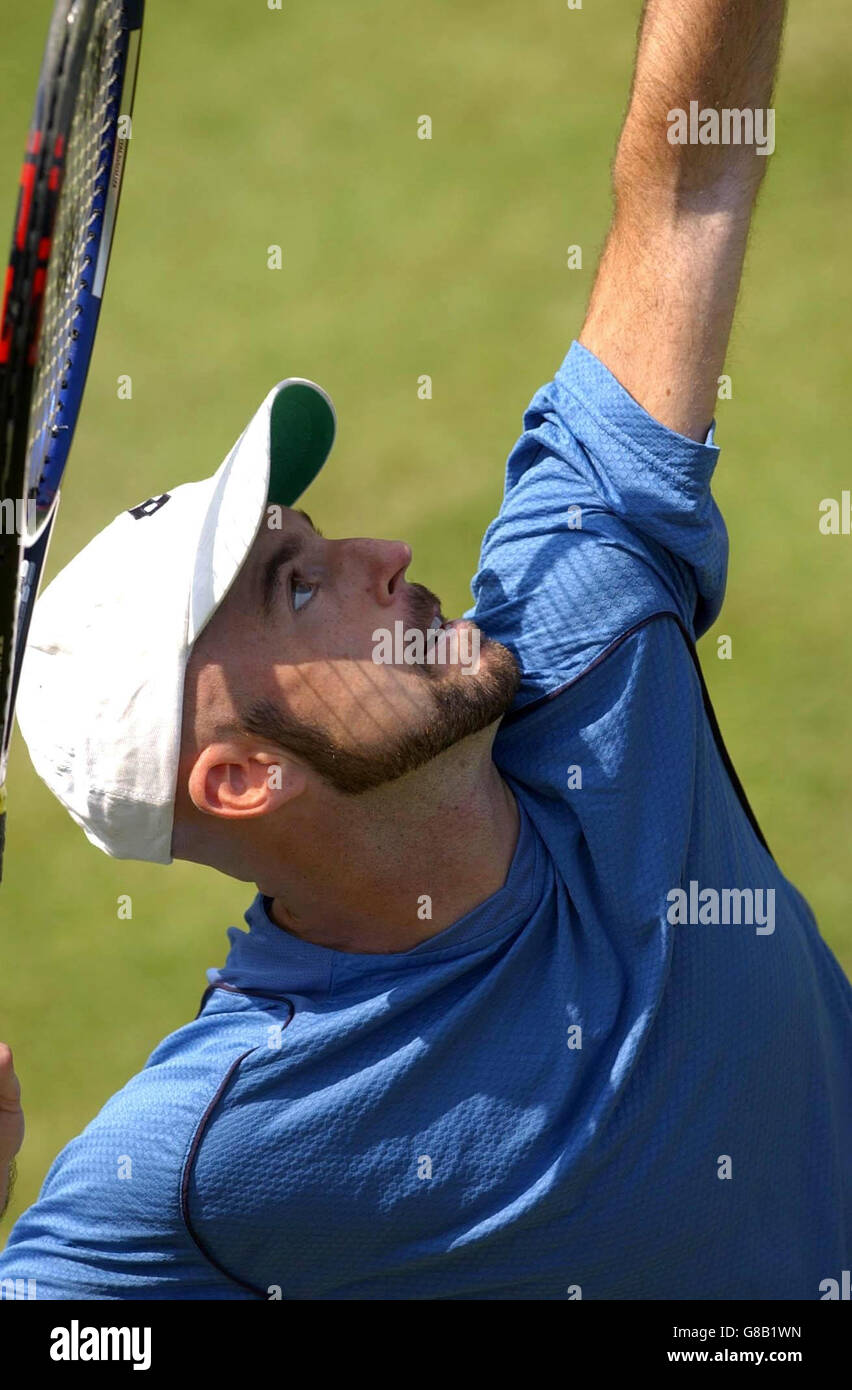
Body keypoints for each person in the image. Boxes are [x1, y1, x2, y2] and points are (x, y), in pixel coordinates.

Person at [1, 0, 849, 1300]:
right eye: (299, 588)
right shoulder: (207, 1156)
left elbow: (689, 180)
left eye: (322, 539)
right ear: (234, 779)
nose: (385, 552)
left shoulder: (583, 619)